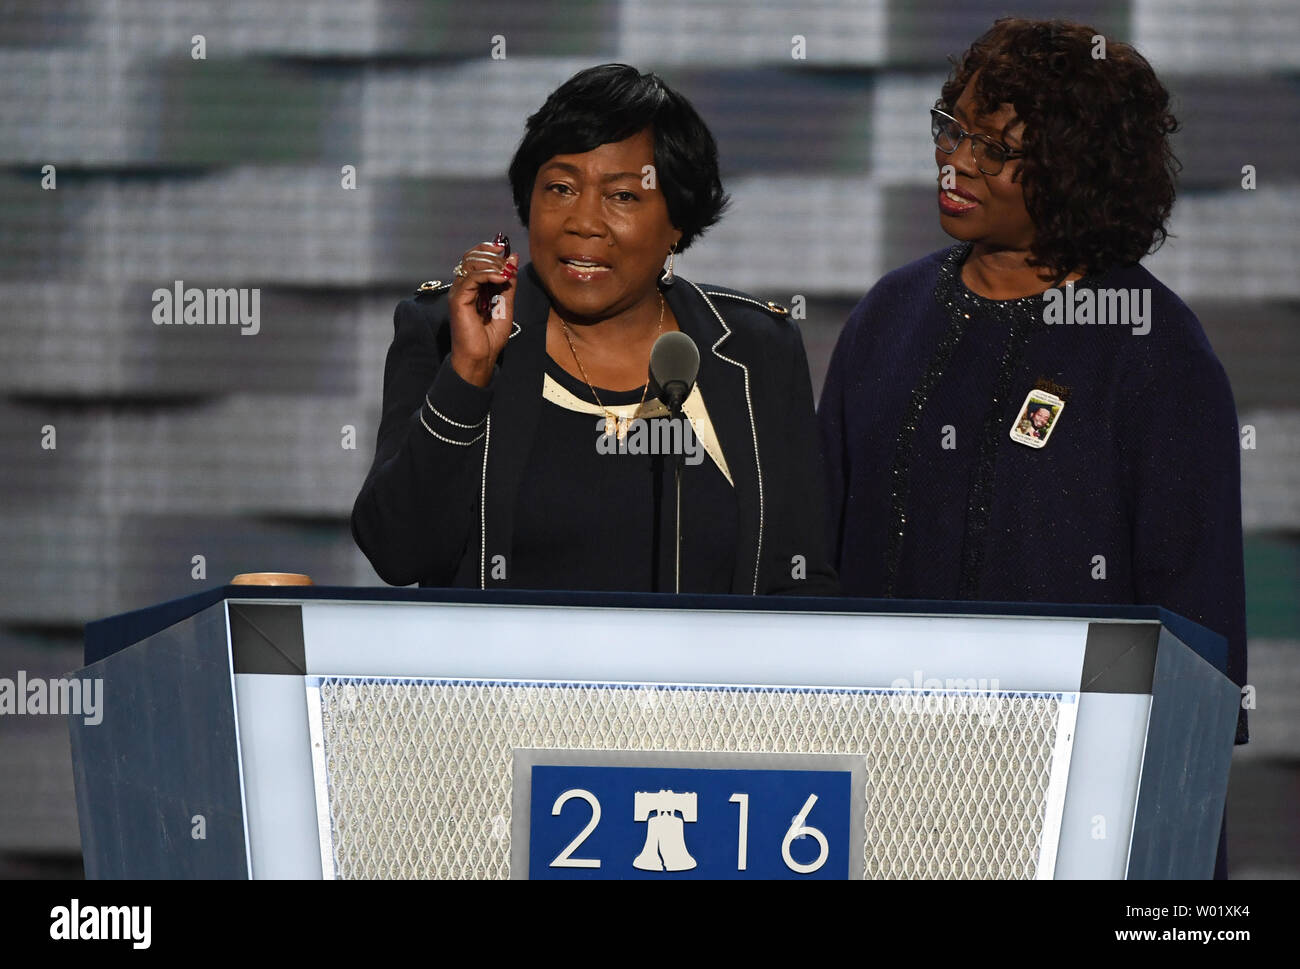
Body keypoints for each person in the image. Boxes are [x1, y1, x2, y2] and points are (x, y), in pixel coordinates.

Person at [818, 19, 1246, 870]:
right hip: (875, 791)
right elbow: (816, 559)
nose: (958, 160)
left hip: (1071, 810)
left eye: (996, 146)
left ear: (1077, 170)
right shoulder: (887, 317)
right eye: (953, 125)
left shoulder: (1154, 349)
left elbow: (1196, 641)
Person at [353, 64, 835, 596]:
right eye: (560, 187)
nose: (583, 221)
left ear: (677, 221)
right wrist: (469, 374)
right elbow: (398, 553)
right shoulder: (445, 331)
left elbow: (802, 577)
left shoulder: (756, 350)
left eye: (622, 196)